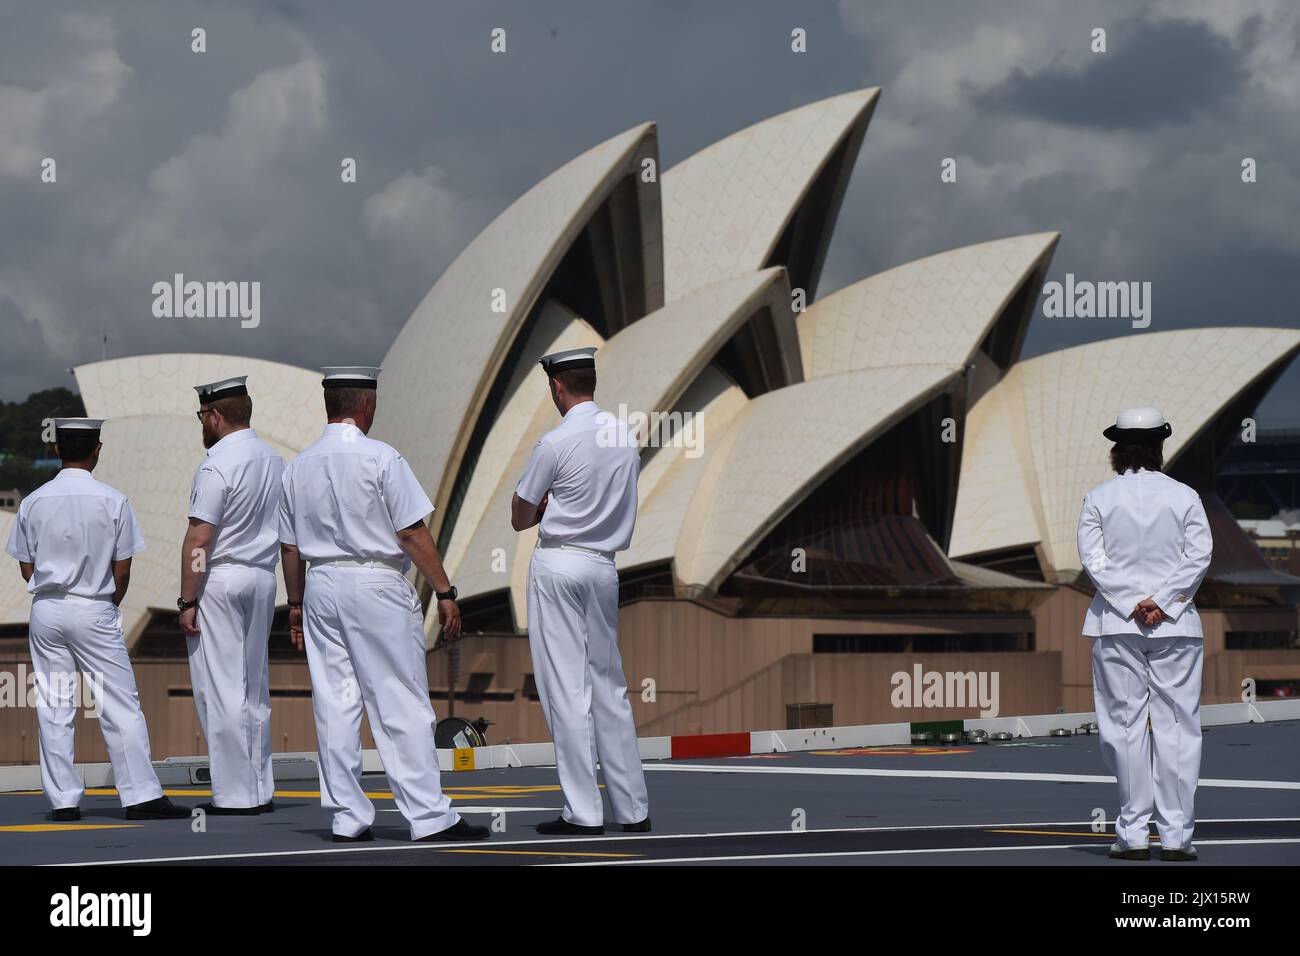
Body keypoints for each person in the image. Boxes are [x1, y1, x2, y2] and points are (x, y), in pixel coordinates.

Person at [278, 367, 487, 843]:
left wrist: (295, 604)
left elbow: (288, 547)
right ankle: (429, 817)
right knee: (400, 701)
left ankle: (348, 816)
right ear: (366, 405)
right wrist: (445, 589)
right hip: (375, 583)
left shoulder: (299, 465)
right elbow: (411, 532)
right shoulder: (382, 458)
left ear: (330, 405)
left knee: (336, 703)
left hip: (321, 584)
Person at [4, 418, 188, 821]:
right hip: (94, 606)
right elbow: (122, 569)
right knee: (119, 703)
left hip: (47, 607)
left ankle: (64, 801)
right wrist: (108, 601)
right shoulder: (113, 499)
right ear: (97, 449)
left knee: (54, 705)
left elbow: (25, 568)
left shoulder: (34, 500)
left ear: (56, 450)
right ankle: (140, 795)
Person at [511, 346, 651, 835]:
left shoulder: (554, 441)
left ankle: (583, 811)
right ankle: (633, 808)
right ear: (592, 381)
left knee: (566, 691)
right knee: (610, 687)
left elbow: (519, 516)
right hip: (603, 567)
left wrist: (550, 504)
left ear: (557, 386)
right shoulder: (624, 436)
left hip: (559, 563)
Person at [1077, 406, 1213, 862]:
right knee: (1176, 727)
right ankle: (1176, 837)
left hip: (1117, 625)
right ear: (1159, 447)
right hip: (1177, 626)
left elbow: (1093, 560)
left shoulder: (1098, 497)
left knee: (1125, 727)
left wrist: (1133, 601)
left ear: (1118, 449)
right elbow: (1199, 556)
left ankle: (1133, 835)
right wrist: (1163, 600)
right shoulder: (1186, 497)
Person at [178, 376, 284, 814]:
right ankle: (259, 788)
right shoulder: (274, 460)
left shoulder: (215, 465)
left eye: (203, 416)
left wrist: (188, 598)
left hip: (221, 577)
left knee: (220, 687)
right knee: (252, 686)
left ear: (216, 415)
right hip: (262, 575)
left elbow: (200, 539)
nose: (201, 423)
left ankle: (235, 794)